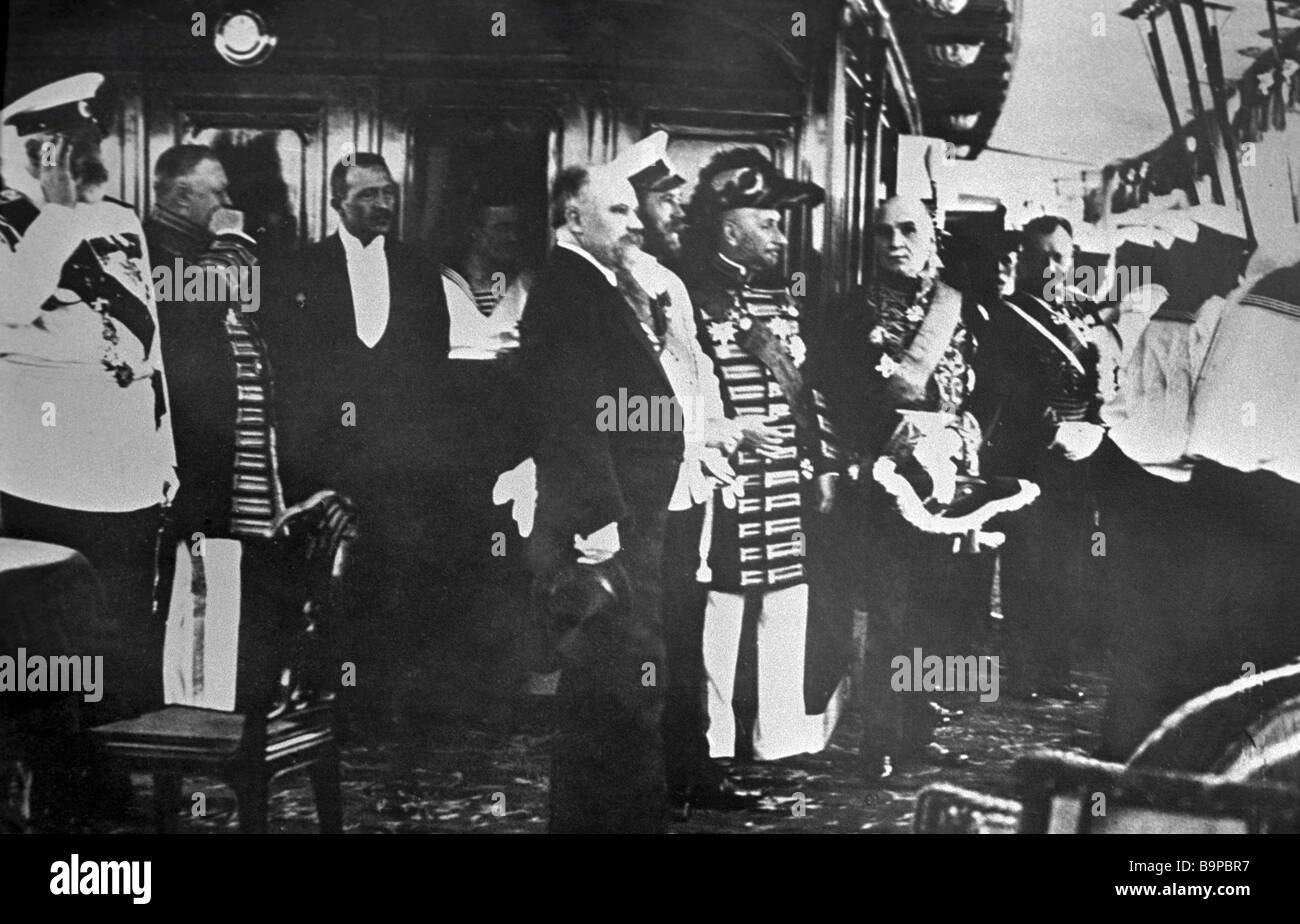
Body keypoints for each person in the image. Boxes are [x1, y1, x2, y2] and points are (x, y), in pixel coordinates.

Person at [815, 197, 1019, 783]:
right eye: (883, 234)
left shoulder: (966, 310)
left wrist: (965, 431)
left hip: (949, 482)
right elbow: (828, 393)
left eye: (909, 231)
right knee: (890, 614)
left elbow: (994, 390)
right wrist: (876, 443)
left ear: (933, 236)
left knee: (937, 613)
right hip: (881, 484)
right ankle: (877, 740)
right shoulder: (849, 312)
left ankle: (916, 734)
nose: (895, 243)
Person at [0, 73, 176, 725]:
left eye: (89, 139)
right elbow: (12, 305)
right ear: (32, 148)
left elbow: (150, 351)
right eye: (68, 142)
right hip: (45, 471)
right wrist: (57, 210)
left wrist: (166, 452)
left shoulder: (121, 219)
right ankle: (60, 781)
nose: (85, 153)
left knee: (123, 631)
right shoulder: (11, 225)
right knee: (50, 646)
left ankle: (117, 769)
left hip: (128, 469)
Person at [262, 152, 451, 738]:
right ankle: (329, 707)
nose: (384, 205)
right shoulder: (299, 271)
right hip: (325, 463)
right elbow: (291, 382)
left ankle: (385, 706)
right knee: (328, 585)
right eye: (368, 194)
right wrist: (314, 474)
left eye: (390, 193)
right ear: (336, 201)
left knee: (395, 581)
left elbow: (433, 370)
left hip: (400, 464)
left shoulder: (421, 269)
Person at [519, 162, 683, 833]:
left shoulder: (591, 285)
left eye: (633, 210)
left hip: (624, 516)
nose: (636, 221)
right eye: (617, 211)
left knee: (604, 690)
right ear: (573, 218)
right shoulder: (569, 290)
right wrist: (602, 520)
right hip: (610, 524)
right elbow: (568, 416)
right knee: (626, 681)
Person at [678, 147, 845, 764]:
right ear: (729, 228)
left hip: (785, 480)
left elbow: (810, 391)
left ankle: (779, 736)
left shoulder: (783, 299)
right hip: (723, 480)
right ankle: (713, 744)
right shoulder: (686, 300)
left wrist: (823, 465)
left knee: (788, 603)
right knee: (720, 614)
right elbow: (673, 392)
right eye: (768, 221)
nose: (780, 234)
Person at [613, 133, 748, 812]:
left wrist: (719, 437)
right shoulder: (604, 284)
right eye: (664, 199)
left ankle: (690, 766)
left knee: (684, 624)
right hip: (637, 488)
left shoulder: (670, 282)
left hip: (690, 480)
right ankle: (644, 773)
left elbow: (700, 375)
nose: (672, 213)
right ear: (632, 203)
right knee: (643, 631)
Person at [977, 215, 1104, 702]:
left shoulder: (1076, 316)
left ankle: (1057, 671)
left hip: (1075, 461)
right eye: (1044, 256)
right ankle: (1026, 674)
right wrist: (1052, 428)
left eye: (1062, 257)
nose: (1054, 266)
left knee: (1068, 567)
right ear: (1024, 259)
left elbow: (1093, 384)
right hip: (1026, 461)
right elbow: (1003, 393)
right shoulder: (1006, 319)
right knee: (1027, 567)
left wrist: (1093, 425)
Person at [144, 144, 261, 540]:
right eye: (218, 192)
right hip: (183, 434)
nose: (228, 202)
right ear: (181, 196)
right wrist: (232, 235)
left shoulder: (203, 246)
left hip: (216, 429)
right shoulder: (149, 248)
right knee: (189, 546)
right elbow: (206, 297)